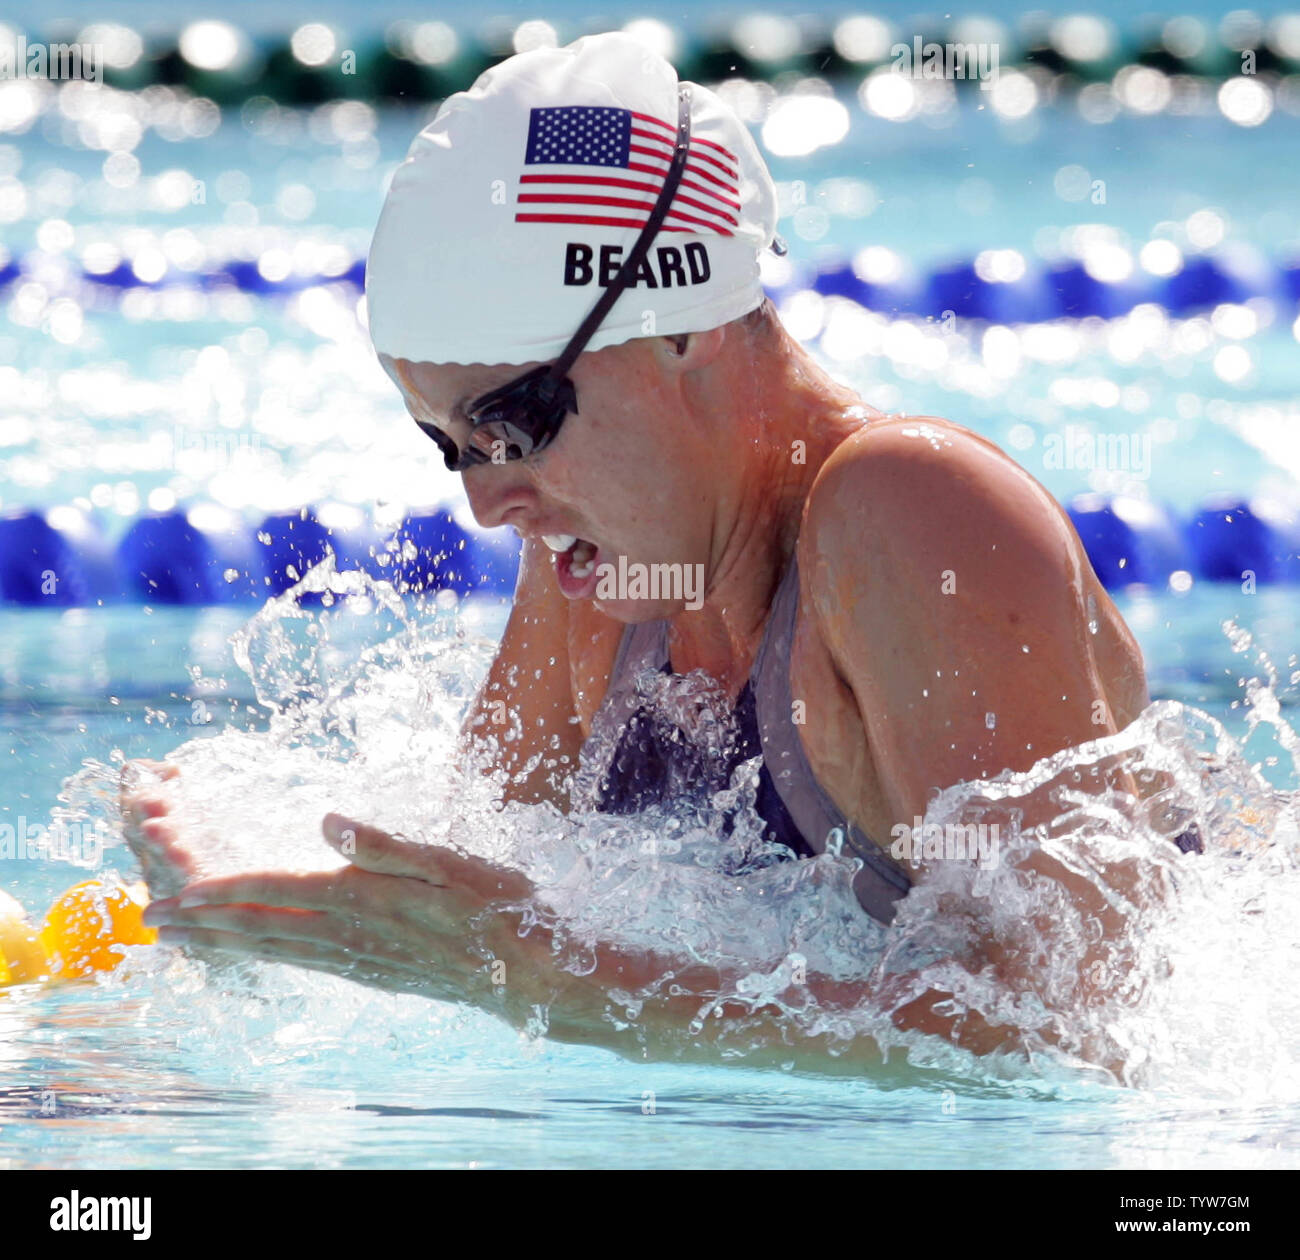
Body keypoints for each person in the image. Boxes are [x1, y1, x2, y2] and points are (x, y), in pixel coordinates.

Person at [123, 32, 1159, 1071]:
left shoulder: (912, 508)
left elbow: (1065, 1033)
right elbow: (465, 895)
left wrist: (563, 987)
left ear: (681, 324)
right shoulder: (598, 566)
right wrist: (258, 915)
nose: (488, 502)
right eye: (450, 447)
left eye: (516, 423)